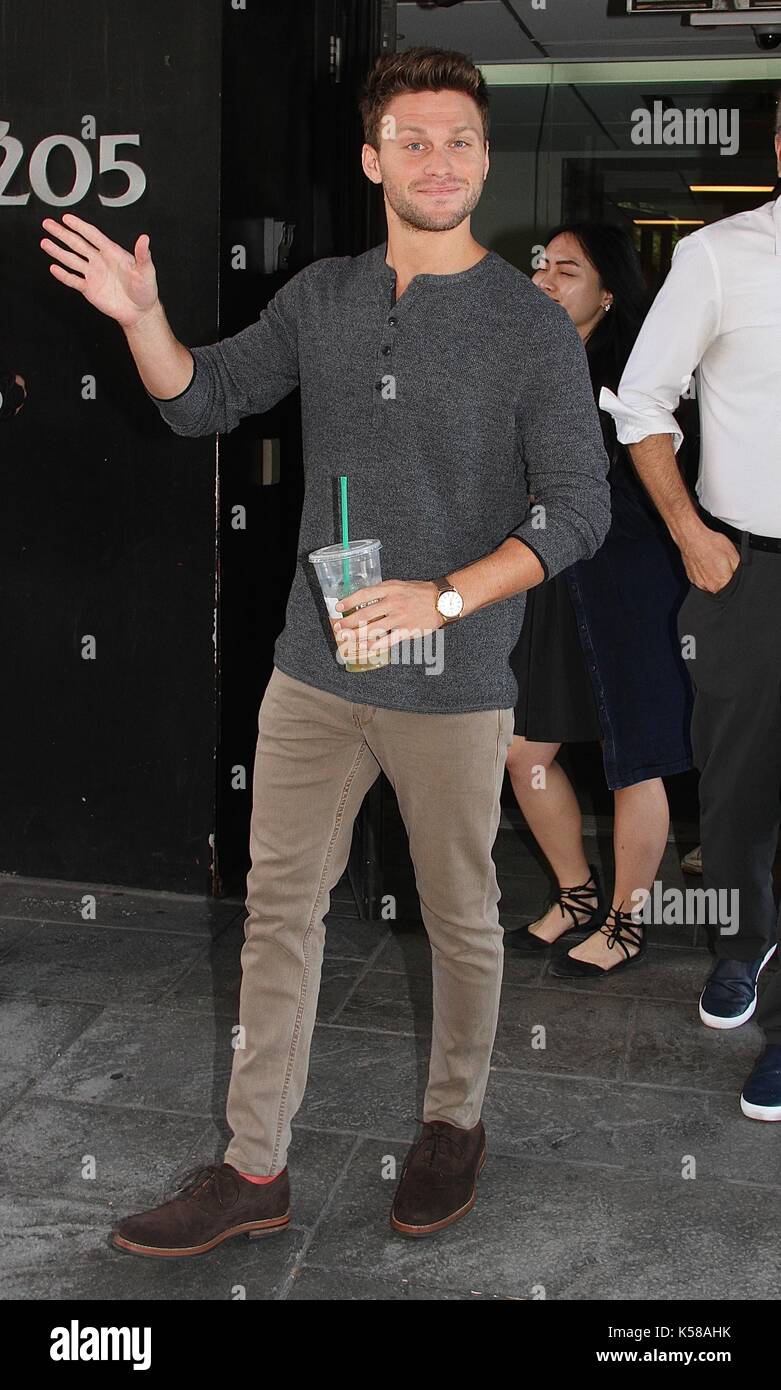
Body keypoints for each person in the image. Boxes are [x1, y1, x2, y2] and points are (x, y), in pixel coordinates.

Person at [40, 46, 610, 1252]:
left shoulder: (530, 327)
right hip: (312, 672)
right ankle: (255, 1169)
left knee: (459, 919)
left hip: (452, 681)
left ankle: (452, 1122)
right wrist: (146, 321)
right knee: (277, 915)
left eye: (458, 138)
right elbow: (200, 398)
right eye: (411, 138)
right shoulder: (323, 296)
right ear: (371, 159)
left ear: (485, 157)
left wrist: (442, 600)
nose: (437, 159)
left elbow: (578, 508)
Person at [601, 94, 781, 1120]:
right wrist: (687, 531)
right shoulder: (717, 257)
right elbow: (639, 402)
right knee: (740, 792)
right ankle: (744, 937)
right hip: (742, 573)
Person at [505, 223, 693, 977]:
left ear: (608, 293)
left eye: (568, 270)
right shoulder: (525, 366)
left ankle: (625, 920)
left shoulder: (636, 378)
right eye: (541, 266)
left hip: (624, 582)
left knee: (631, 756)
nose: (545, 279)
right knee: (525, 753)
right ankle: (577, 894)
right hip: (544, 580)